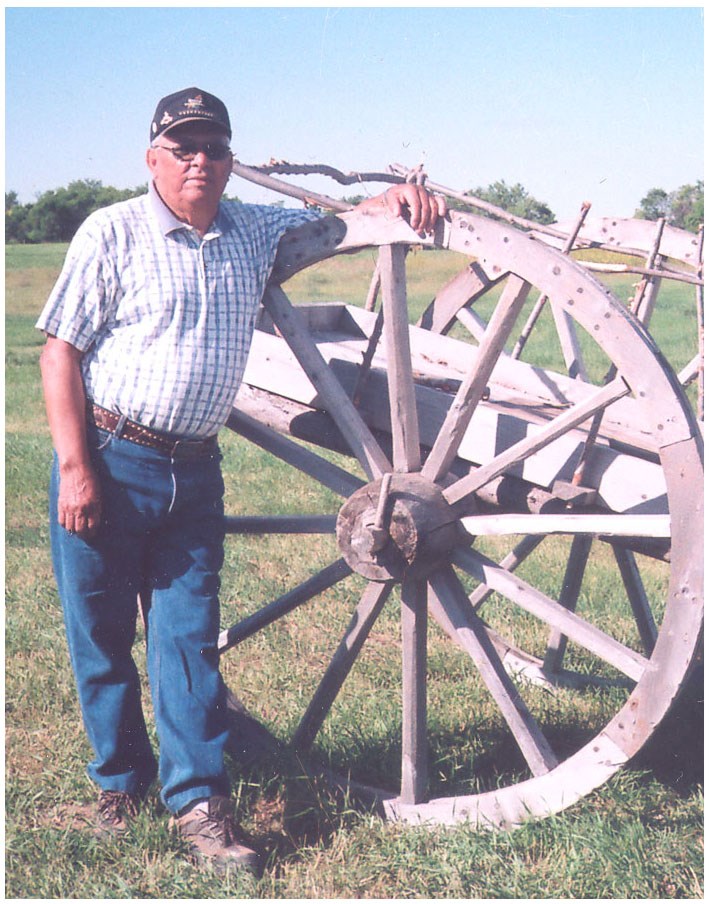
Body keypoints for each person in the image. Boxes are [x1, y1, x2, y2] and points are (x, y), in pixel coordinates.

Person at [36, 87, 446, 874]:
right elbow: (61, 351)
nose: (199, 161)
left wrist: (393, 199)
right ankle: (120, 788)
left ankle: (200, 806)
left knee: (188, 643)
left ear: (231, 161)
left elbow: (342, 223)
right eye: (183, 147)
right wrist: (77, 469)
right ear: (152, 157)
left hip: (193, 471)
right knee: (101, 636)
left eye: (214, 149)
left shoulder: (252, 229)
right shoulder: (112, 232)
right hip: (109, 459)